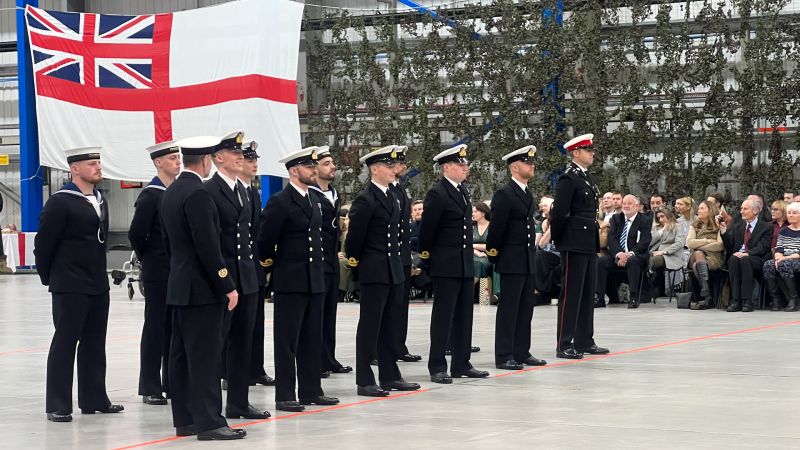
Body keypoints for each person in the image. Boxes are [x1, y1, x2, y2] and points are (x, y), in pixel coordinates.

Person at [160, 136, 244, 440]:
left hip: (180, 286)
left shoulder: (172, 192)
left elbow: (170, 245)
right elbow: (208, 247)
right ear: (207, 161)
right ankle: (210, 422)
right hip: (202, 290)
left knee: (180, 357)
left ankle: (185, 419)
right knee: (206, 358)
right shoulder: (198, 193)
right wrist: (227, 283)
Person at [34, 147, 123, 423]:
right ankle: (58, 404)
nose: (98, 167)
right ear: (74, 168)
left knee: (95, 342)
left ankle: (94, 398)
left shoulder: (99, 199)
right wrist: (52, 279)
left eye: (98, 162)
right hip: (70, 284)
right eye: (92, 163)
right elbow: (43, 245)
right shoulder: (61, 202)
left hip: (97, 282)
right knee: (64, 343)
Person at [258, 146, 339, 412]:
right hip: (291, 280)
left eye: (316, 166)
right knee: (287, 341)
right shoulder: (280, 201)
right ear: (294, 171)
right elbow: (265, 240)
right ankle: (285, 395)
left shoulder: (314, 200)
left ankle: (311, 390)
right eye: (309, 167)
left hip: (315, 278)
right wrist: (274, 264)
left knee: (311, 338)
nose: (315, 171)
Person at [345, 145, 422, 396]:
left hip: (394, 269)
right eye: (388, 166)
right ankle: (365, 379)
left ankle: (390, 375)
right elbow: (354, 240)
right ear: (374, 169)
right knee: (370, 326)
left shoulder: (393, 195)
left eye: (393, 166)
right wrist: (360, 262)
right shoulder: (366, 199)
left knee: (390, 325)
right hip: (374, 270)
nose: (393, 170)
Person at [204, 131, 268, 420]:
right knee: (216, 345)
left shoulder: (246, 190)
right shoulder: (208, 190)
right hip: (223, 279)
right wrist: (222, 279)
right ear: (219, 158)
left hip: (247, 277)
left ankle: (239, 402)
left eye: (240, 152)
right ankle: (211, 408)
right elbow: (210, 241)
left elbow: (253, 235)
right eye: (233, 152)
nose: (240, 156)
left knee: (244, 342)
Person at [418, 144, 490, 382]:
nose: (464, 168)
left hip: (463, 263)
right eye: (460, 165)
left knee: (464, 315)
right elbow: (428, 231)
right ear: (446, 167)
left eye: (465, 164)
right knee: (443, 317)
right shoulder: (437, 193)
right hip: (445, 263)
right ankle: (437, 365)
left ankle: (461, 363)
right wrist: (428, 259)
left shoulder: (463, 191)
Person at [129, 140, 181, 406]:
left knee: (174, 328)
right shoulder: (151, 194)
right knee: (155, 329)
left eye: (178, 157)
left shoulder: (176, 190)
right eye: (172, 158)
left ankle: (172, 382)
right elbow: (137, 234)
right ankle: (150, 384)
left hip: (177, 271)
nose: (177, 162)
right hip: (158, 271)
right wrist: (151, 257)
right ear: (159, 163)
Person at [485, 145, 547, 370]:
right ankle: (504, 354)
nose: (532, 166)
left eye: (532, 162)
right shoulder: (505, 193)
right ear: (514, 166)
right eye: (527, 163)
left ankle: (522, 350)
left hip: (526, 259)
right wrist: (494, 255)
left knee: (525, 308)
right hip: (511, 260)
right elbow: (497, 229)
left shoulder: (526, 192)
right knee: (509, 309)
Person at [549, 133, 609, 359]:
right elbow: (559, 213)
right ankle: (564, 343)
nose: (592, 153)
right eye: (588, 150)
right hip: (573, 242)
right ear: (576, 152)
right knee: (571, 294)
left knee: (586, 293)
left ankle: (585, 340)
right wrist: (559, 239)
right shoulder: (569, 178)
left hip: (587, 241)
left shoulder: (586, 177)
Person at [308, 146, 354, 375]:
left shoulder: (333, 193)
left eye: (332, 163)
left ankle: (329, 357)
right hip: (316, 261)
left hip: (331, 261)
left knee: (329, 313)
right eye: (326, 163)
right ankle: (315, 360)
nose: (333, 166)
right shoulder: (310, 193)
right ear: (313, 168)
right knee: (316, 316)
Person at [239, 141, 276, 388]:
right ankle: (231, 373)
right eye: (249, 160)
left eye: (255, 160)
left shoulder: (252, 192)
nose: (254, 165)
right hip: (235, 267)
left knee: (256, 322)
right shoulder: (231, 191)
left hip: (253, 266)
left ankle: (256, 368)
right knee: (236, 326)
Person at [388, 145, 423, 363]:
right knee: (386, 307)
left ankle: (399, 346)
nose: (403, 166)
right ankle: (378, 349)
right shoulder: (384, 190)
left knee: (401, 306)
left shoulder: (401, 189)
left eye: (403, 163)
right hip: (388, 256)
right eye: (399, 163)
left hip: (402, 254)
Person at [596, 195, 652, 309]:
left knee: (633, 262)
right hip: (618, 254)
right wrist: (619, 254)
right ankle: (599, 298)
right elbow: (612, 239)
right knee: (600, 262)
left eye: (629, 204)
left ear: (636, 206)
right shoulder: (616, 219)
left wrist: (629, 254)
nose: (626, 206)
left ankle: (633, 297)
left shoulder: (644, 220)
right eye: (624, 203)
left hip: (636, 255)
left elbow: (645, 241)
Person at [721, 198, 772, 312]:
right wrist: (723, 231)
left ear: (755, 211)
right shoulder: (738, 226)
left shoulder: (766, 226)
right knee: (733, 259)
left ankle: (747, 301)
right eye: (741, 208)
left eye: (745, 209)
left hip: (757, 257)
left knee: (744, 260)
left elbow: (763, 247)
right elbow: (730, 246)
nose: (741, 211)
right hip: (739, 257)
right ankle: (735, 300)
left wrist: (747, 253)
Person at [763, 201, 800, 312]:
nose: (791, 215)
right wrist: (778, 258)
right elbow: (779, 249)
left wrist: (783, 259)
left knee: (784, 265)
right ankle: (776, 299)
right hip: (784, 259)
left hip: (796, 259)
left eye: (794, 213)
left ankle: (794, 299)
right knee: (768, 265)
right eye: (789, 213)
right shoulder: (784, 231)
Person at [648, 207, 688, 295]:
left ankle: (650, 284)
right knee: (642, 260)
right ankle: (648, 287)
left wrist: (664, 252)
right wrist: (661, 231)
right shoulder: (657, 228)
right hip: (655, 253)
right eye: (658, 218)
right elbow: (649, 242)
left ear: (668, 216)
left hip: (671, 255)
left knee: (652, 261)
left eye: (662, 216)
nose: (661, 219)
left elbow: (680, 243)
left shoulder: (677, 226)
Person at [472, 202, 492, 282]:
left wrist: (472, 245)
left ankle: (473, 290)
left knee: (479, 264)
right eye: (472, 212)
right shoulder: (471, 226)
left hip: (488, 255)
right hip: (471, 253)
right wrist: (477, 252)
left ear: (483, 213)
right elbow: (465, 243)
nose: (473, 214)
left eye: (475, 212)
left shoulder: (492, 226)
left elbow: (491, 246)